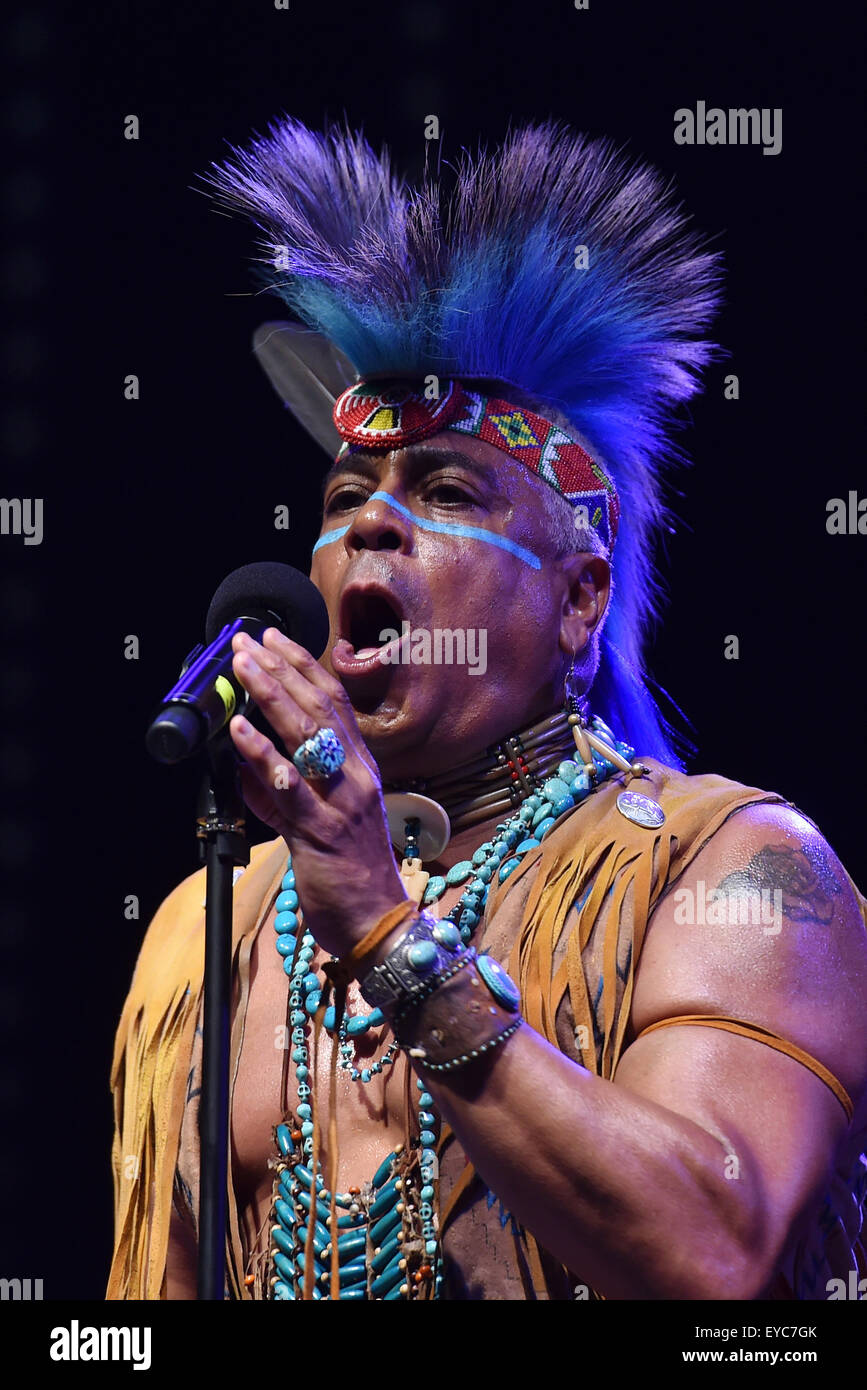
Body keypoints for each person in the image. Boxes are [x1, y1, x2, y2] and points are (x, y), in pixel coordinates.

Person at [107, 119, 867, 1301]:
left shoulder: (742, 875)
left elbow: (713, 1257)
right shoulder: (208, 933)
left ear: (578, 602)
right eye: (347, 491)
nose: (367, 522)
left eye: (445, 488)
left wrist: (386, 929)